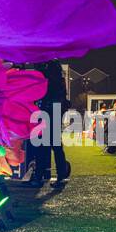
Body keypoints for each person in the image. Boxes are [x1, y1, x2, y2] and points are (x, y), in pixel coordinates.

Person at [27, 60, 71, 188]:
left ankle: (39, 176)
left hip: (47, 110)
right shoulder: (59, 80)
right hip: (55, 110)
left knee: (42, 145)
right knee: (56, 145)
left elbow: (42, 92)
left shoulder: (46, 76)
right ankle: (60, 176)